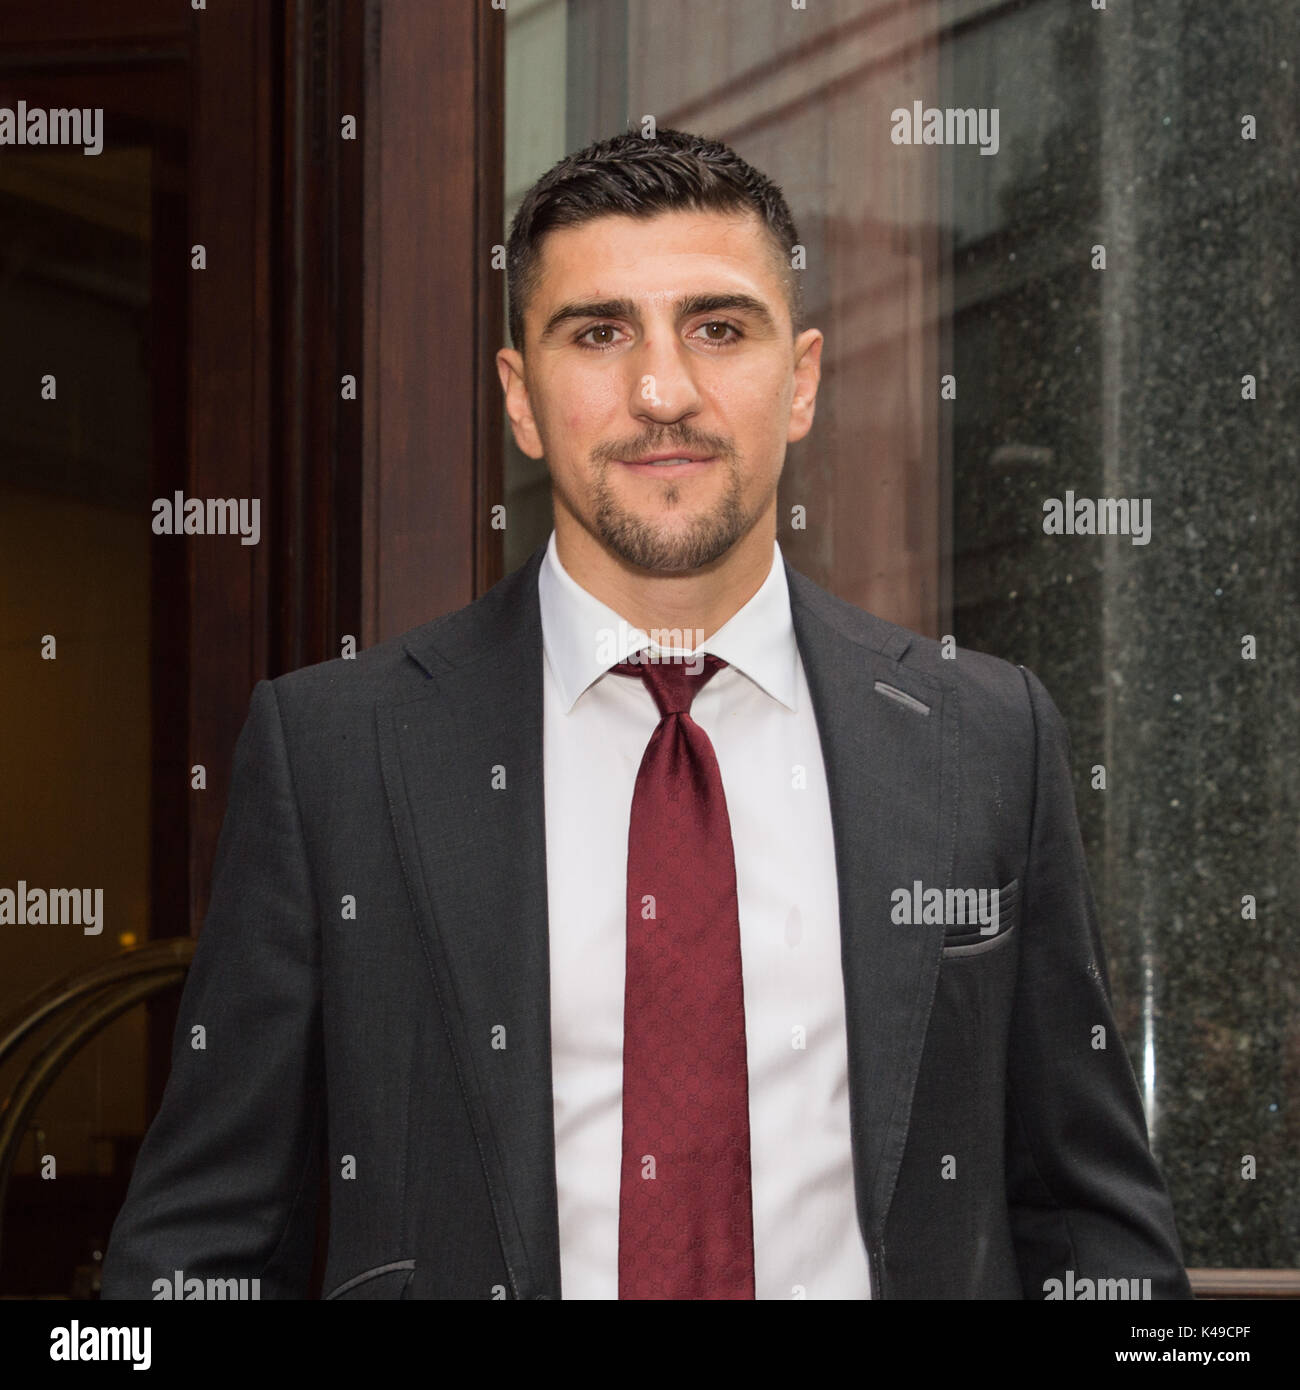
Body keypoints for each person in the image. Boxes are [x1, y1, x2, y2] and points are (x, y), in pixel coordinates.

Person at [102, 127, 1191, 1300]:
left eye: (719, 328)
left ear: (804, 380)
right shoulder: (335, 755)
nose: (662, 391)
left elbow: (1088, 1222)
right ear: (520, 397)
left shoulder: (985, 738)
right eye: (598, 332)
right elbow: (199, 1251)